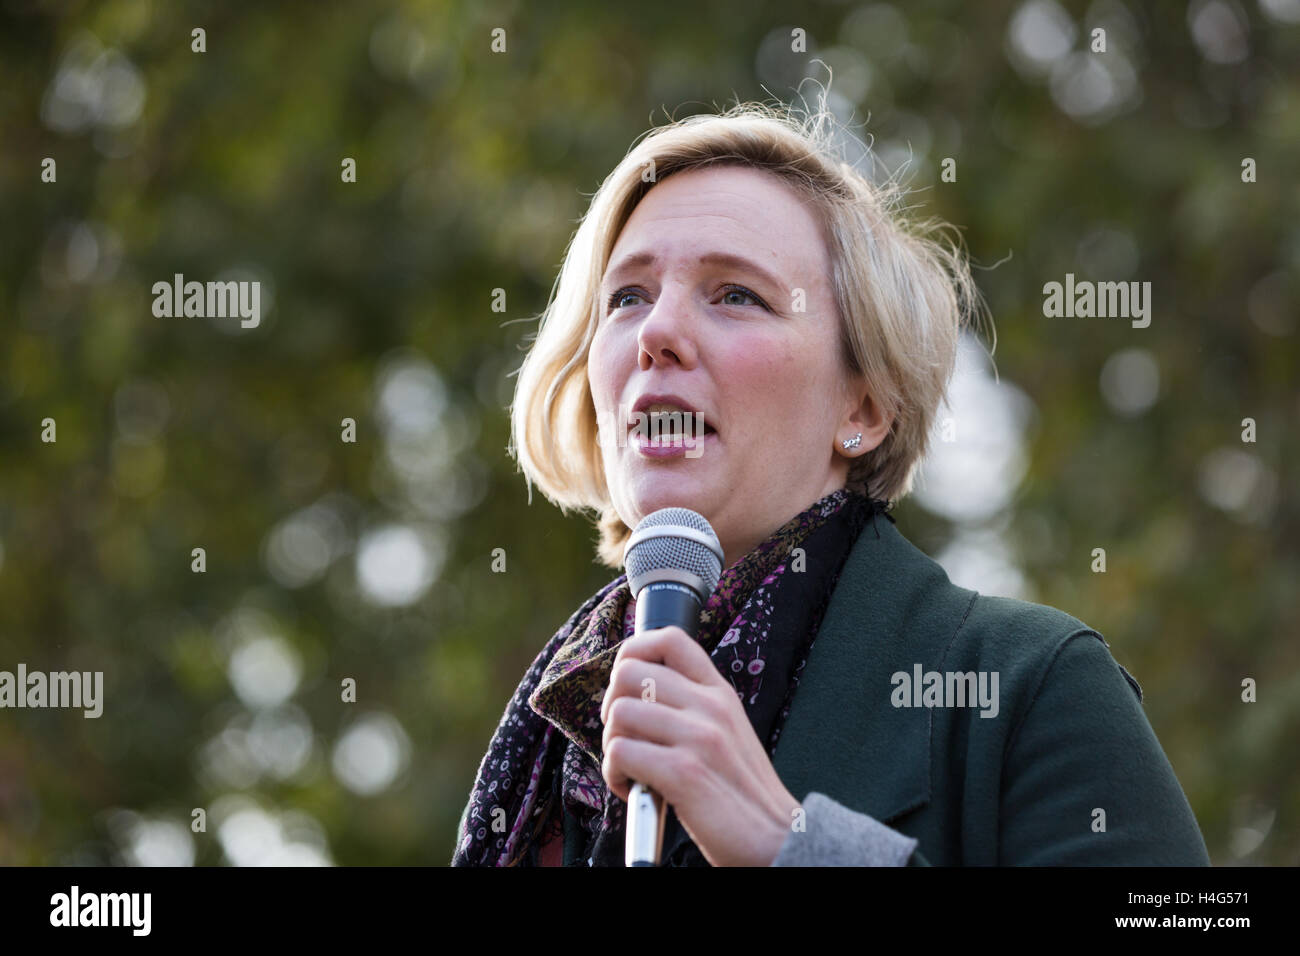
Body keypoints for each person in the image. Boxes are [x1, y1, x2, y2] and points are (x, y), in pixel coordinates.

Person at [451, 102, 1211, 867]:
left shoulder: (1029, 688)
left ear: (865, 406)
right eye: (627, 297)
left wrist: (794, 847)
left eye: (735, 294)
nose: (655, 334)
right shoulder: (540, 766)